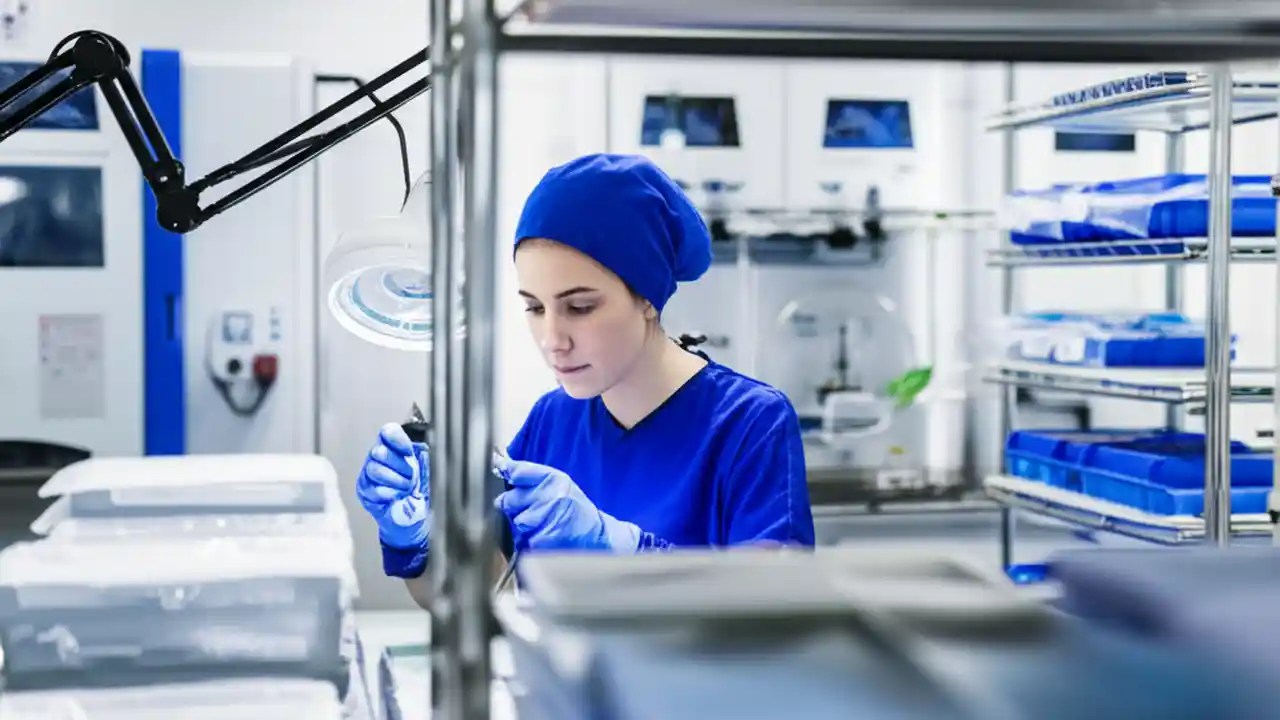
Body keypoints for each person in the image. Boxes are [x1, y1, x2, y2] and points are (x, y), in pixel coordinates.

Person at [355, 153, 815, 586]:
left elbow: (771, 622)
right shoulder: (552, 420)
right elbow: (482, 590)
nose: (552, 339)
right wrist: (412, 537)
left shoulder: (750, 422)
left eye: (579, 306)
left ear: (647, 299)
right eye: (534, 308)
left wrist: (625, 550)